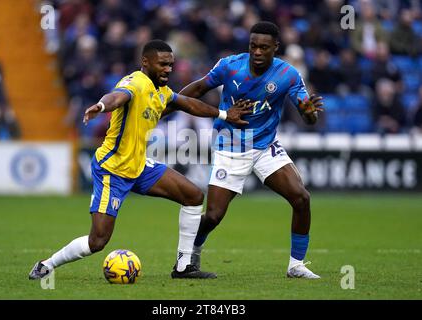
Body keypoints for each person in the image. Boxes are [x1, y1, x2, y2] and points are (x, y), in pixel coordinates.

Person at [28, 39, 252, 280]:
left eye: (171, 65)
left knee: (193, 196)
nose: (168, 69)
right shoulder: (135, 82)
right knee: (98, 240)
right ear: (145, 62)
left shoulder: (162, 91)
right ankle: (46, 265)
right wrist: (102, 105)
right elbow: (118, 96)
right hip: (112, 169)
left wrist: (223, 114)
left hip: (140, 165)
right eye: (163, 64)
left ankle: (183, 267)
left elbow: (188, 104)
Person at [166, 21, 324, 279]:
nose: (258, 52)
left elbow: (308, 114)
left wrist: (310, 116)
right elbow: (198, 88)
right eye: (253, 46)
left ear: (276, 47)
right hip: (230, 146)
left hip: (265, 146)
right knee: (214, 216)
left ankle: (296, 265)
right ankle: (190, 255)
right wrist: (169, 104)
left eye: (264, 47)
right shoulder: (230, 66)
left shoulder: (289, 75)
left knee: (301, 198)